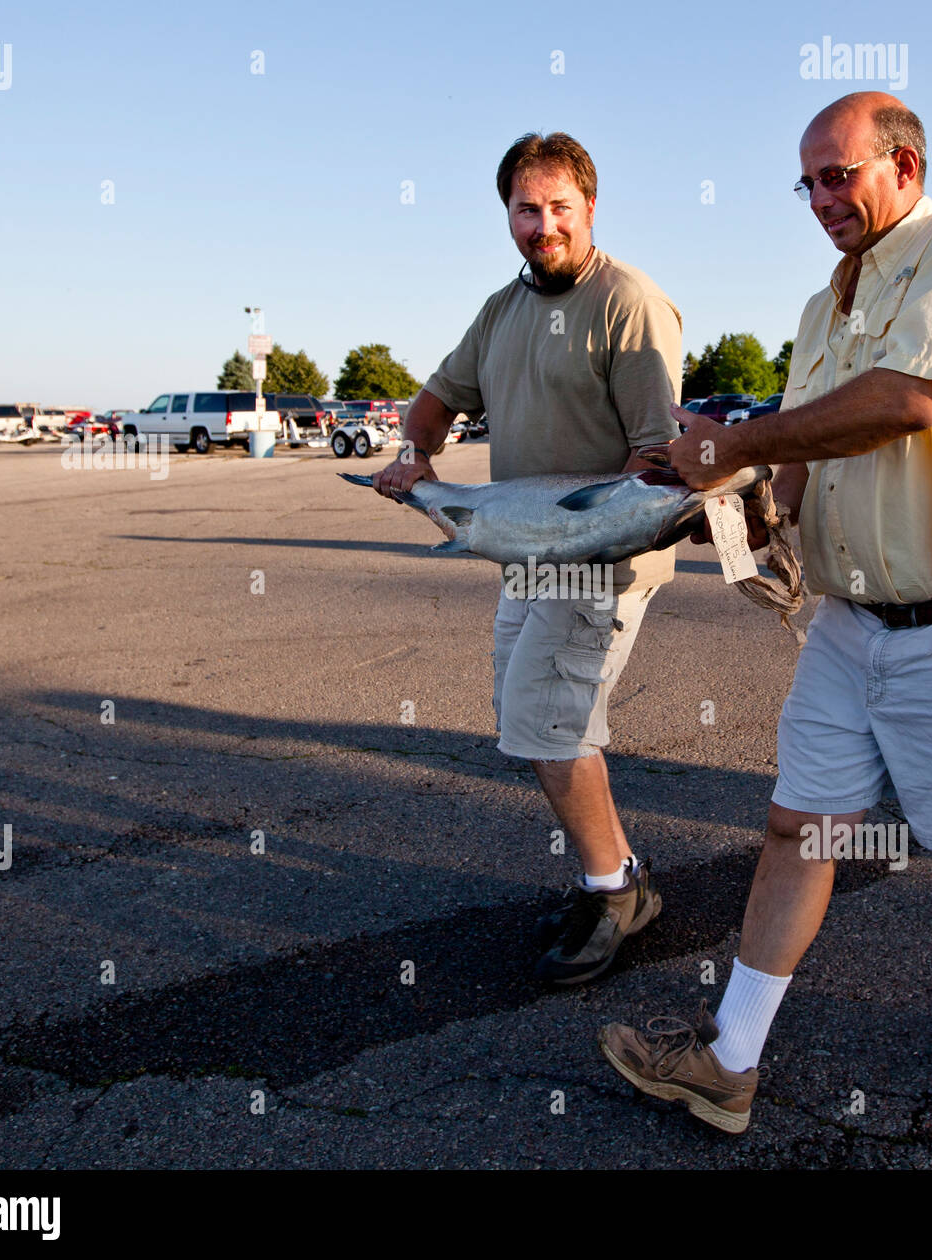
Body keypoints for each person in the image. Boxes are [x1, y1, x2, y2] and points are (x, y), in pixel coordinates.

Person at [600, 92, 932, 1133]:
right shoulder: (824, 307)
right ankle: (728, 1059)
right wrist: (718, 501)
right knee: (799, 827)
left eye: (841, 174)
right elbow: (802, 465)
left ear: (903, 168)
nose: (821, 198)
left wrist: (736, 441)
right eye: (808, 181)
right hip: (852, 628)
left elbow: (910, 397)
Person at [371, 132, 683, 985]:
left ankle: (612, 894)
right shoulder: (501, 311)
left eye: (559, 208)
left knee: (547, 723)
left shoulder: (630, 303)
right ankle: (621, 880)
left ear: (590, 207)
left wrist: (573, 534)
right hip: (527, 557)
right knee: (534, 721)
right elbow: (437, 399)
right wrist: (415, 454)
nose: (542, 225)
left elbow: (654, 466)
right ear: (505, 211)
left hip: (599, 560)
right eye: (524, 208)